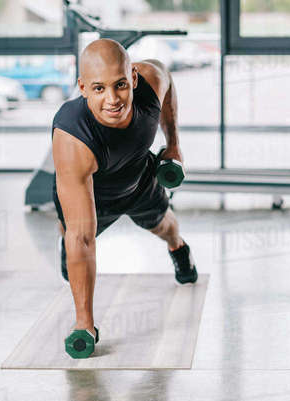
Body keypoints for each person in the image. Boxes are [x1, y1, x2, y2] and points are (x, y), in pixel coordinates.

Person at [52, 39, 197, 340]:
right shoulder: (72, 138)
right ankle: (67, 256)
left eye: (119, 85)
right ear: (82, 88)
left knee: (166, 227)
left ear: (132, 77)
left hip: (139, 182)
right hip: (93, 197)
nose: (112, 99)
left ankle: (178, 248)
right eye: (98, 89)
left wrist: (173, 146)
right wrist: (84, 325)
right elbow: (82, 237)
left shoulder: (150, 82)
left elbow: (167, 80)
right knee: (75, 241)